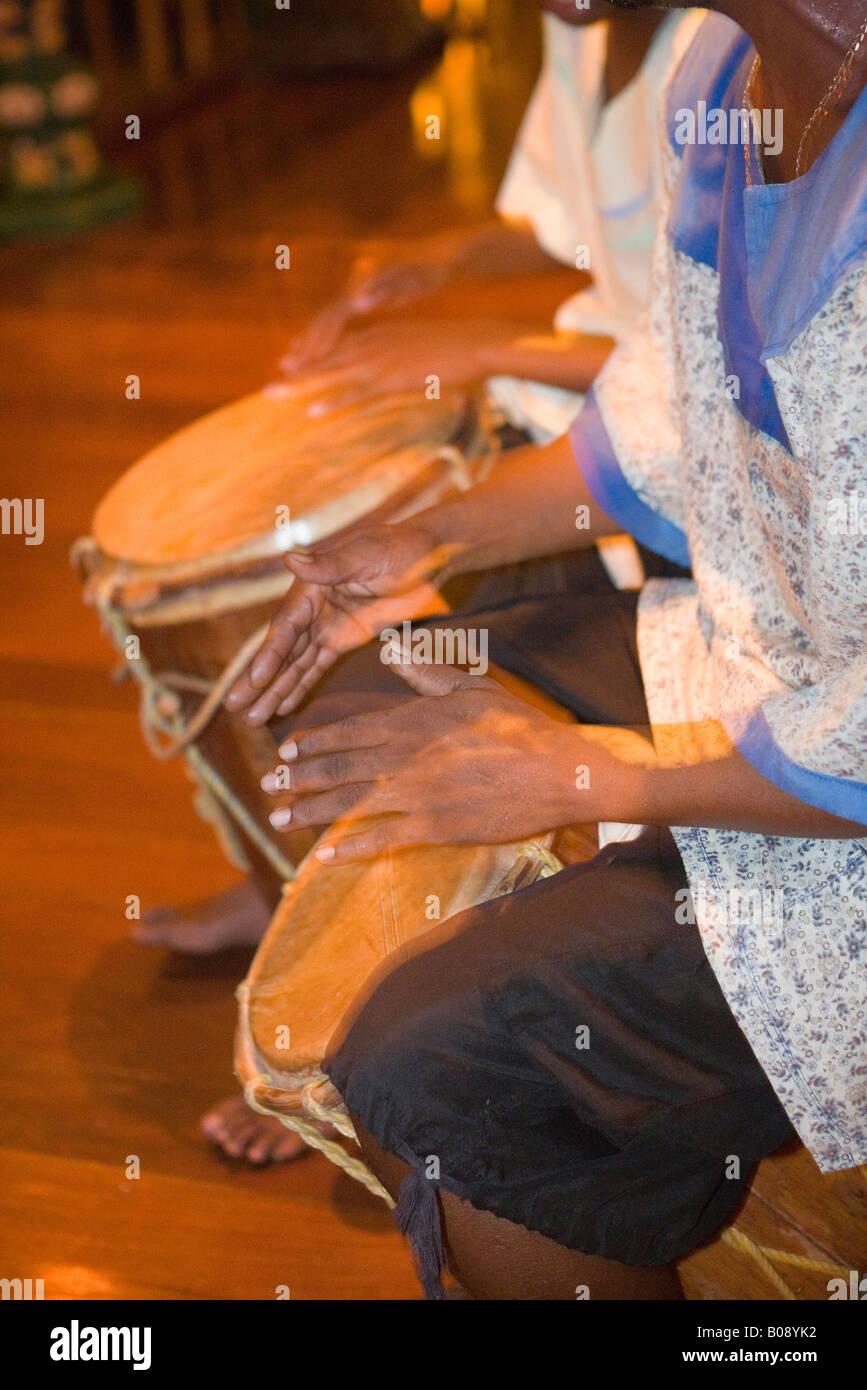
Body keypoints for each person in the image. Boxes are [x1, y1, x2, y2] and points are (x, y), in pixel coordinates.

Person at [226, 0, 867, 1298]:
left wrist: (603, 778)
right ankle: (581, 973)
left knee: (430, 1061)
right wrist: (417, 542)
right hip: (756, 651)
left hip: (830, 785)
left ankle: (555, 1064)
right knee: (387, 667)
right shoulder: (725, 74)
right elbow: (659, 420)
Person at [137, 0, 705, 1165]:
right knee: (348, 630)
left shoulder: (738, 51)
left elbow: (704, 372)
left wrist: (480, 347)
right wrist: (437, 265)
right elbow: (581, 233)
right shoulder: (583, 25)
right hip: (588, 432)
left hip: (660, 486)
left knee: (429, 679)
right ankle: (302, 885)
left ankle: (382, 988)